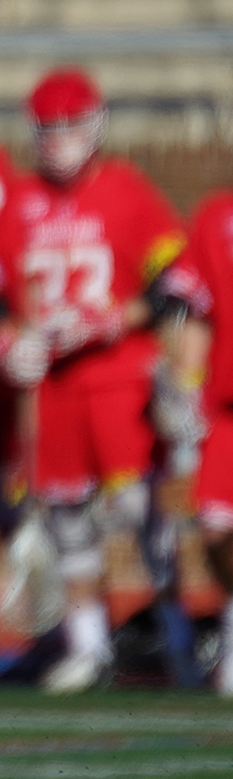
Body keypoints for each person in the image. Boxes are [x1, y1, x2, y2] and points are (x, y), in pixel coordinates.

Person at [0, 69, 185, 693]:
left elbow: (172, 286)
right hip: (56, 388)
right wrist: (8, 345)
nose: (61, 139)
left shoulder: (128, 190)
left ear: (95, 125)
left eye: (72, 125)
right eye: (50, 128)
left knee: (138, 509)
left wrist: (113, 319)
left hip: (119, 376)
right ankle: (89, 643)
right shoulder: (19, 200)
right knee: (67, 515)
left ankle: (175, 633)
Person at [159, 179, 233, 698]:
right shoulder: (217, 215)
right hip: (228, 404)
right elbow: (200, 312)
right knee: (214, 529)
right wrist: (186, 384)